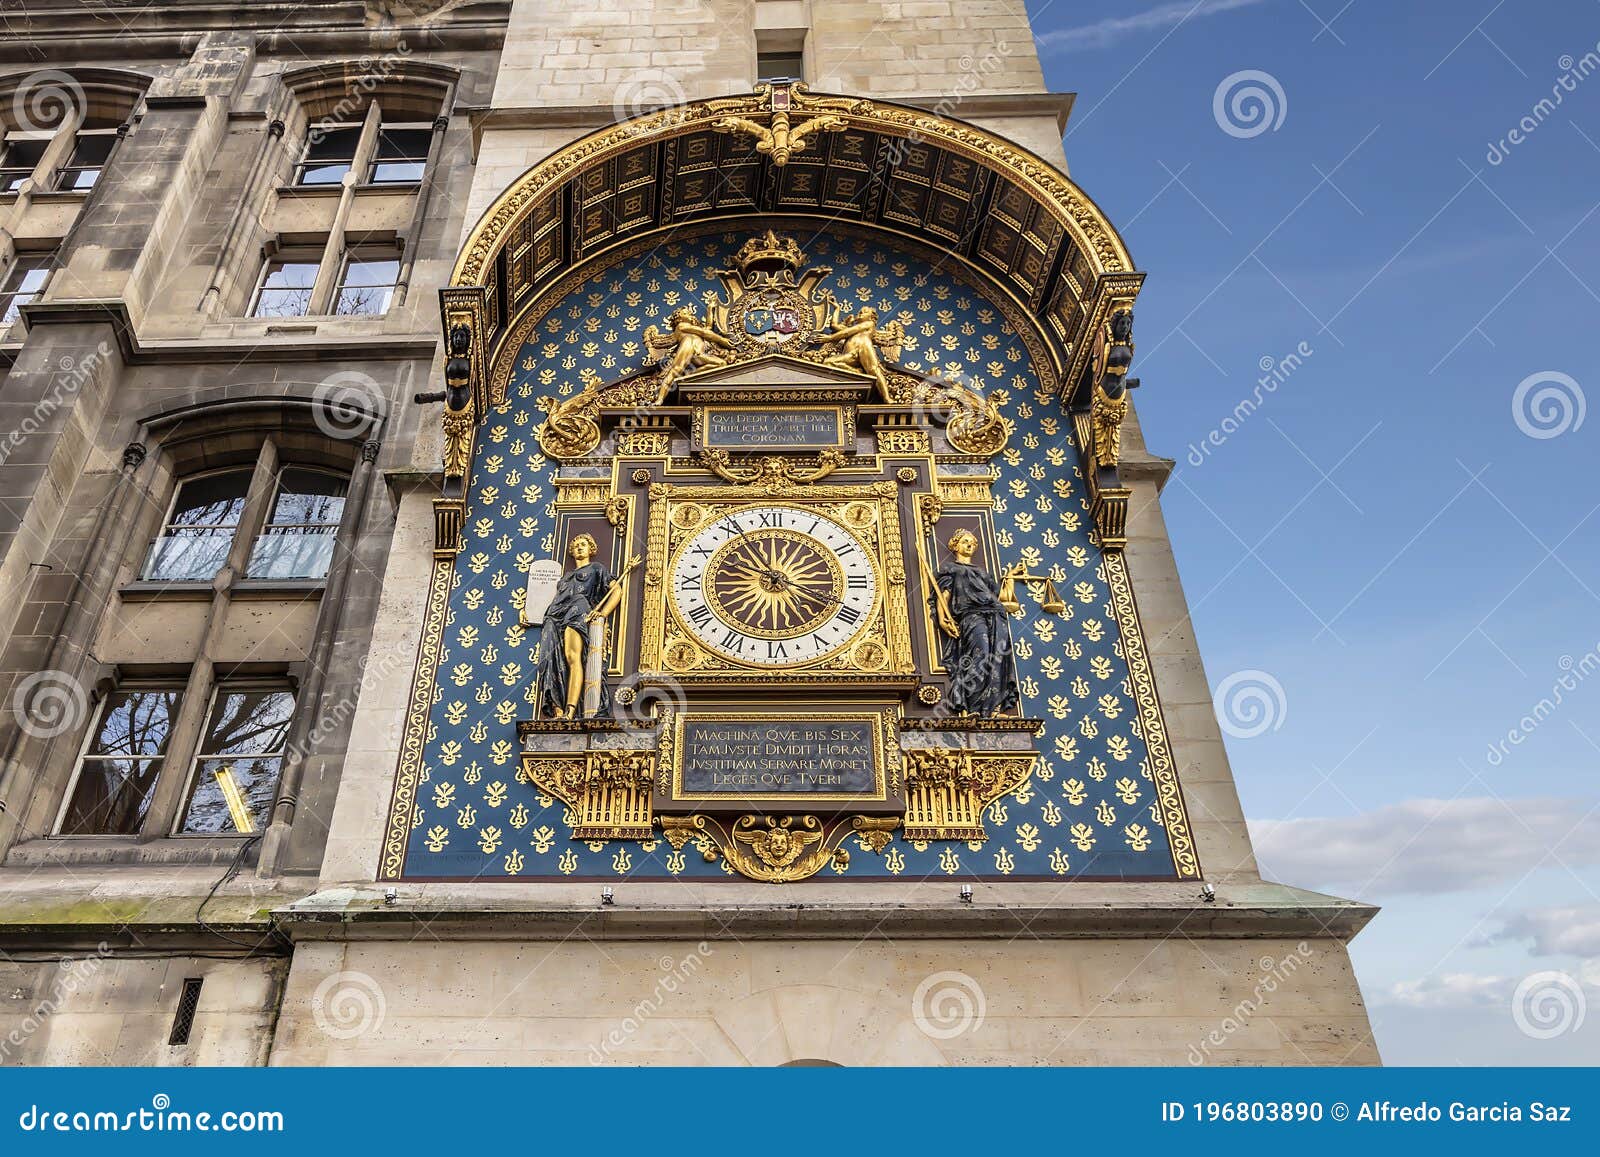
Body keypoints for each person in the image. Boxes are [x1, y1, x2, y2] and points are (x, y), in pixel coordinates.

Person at [532, 535, 633, 719]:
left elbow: (616, 590)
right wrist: (530, 615)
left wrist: (603, 613)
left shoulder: (597, 568)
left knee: (572, 657)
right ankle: (558, 709)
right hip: (554, 616)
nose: (579, 548)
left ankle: (570, 709)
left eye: (583, 545)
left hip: (577, 609)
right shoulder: (565, 577)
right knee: (550, 660)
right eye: (576, 545)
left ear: (591, 549)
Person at [931, 529, 1022, 717]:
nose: (970, 545)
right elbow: (944, 596)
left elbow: (1002, 598)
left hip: (996, 615)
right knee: (979, 655)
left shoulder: (982, 573)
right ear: (955, 545)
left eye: (972, 542)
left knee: (997, 659)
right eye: (965, 541)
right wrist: (942, 618)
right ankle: (974, 706)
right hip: (972, 616)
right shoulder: (952, 569)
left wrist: (1010, 577)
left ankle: (992, 709)